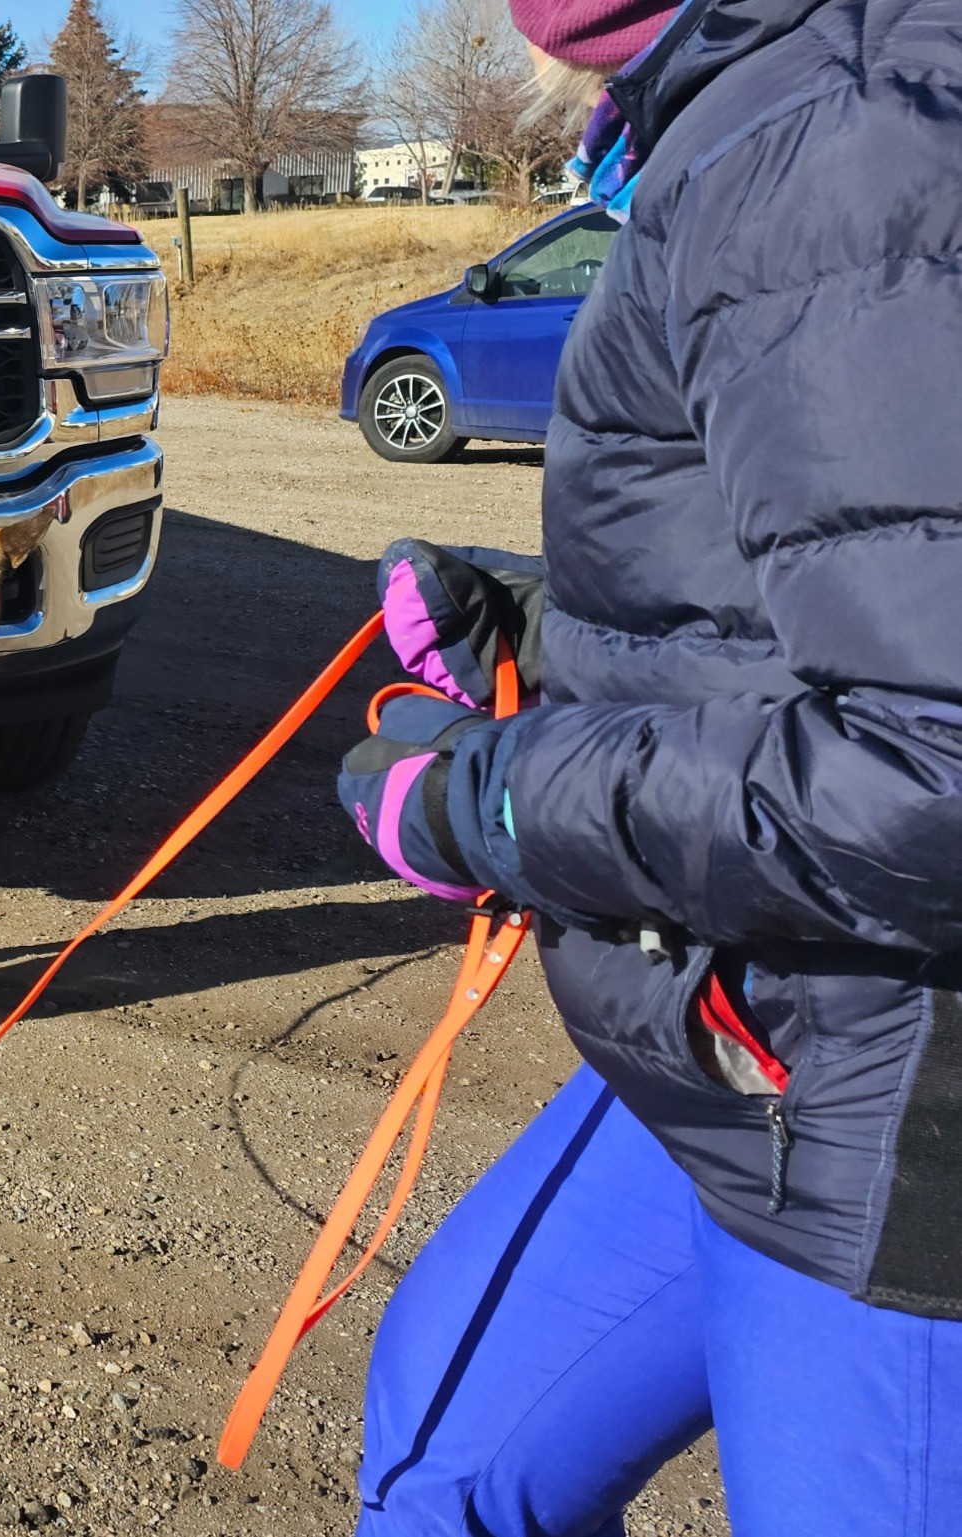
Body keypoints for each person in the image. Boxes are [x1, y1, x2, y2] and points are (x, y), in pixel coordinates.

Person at [335, 0, 962, 1531]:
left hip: (888, 1098)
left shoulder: (851, 116)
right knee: (452, 1464)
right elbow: (826, 593)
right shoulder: (753, 101)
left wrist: (499, 800)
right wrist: (546, 637)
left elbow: (932, 769)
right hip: (734, 1039)